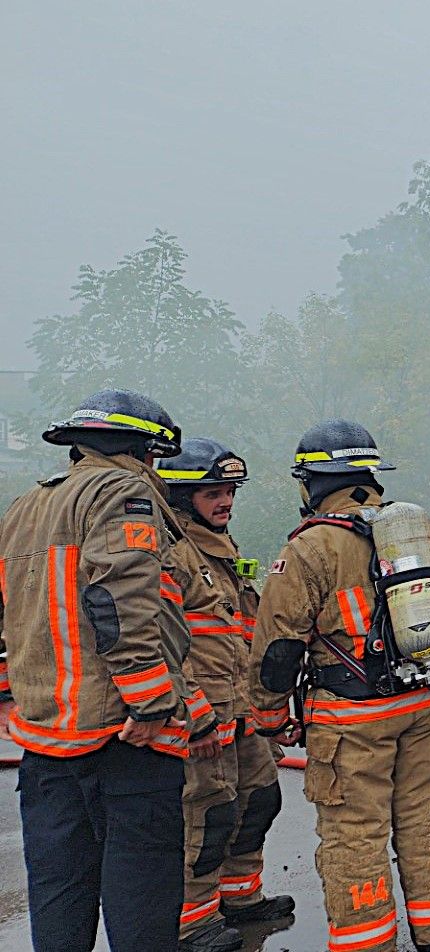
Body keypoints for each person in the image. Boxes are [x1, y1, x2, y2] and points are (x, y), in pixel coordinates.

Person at [0, 389, 219, 952]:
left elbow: (7, 609)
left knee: (58, 890)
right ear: (143, 450)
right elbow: (120, 600)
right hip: (124, 739)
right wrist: (150, 702)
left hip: (46, 738)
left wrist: (5, 694)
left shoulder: (26, 507)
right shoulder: (124, 494)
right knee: (142, 896)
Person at [249, 420, 430, 952]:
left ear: (312, 484)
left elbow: (277, 651)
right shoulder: (424, 532)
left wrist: (269, 717)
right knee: (429, 825)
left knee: (355, 838)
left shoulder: (309, 548)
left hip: (355, 723)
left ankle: (367, 943)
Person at [159, 438, 294, 950]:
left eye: (230, 490)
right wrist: (192, 714)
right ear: (179, 494)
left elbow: (239, 631)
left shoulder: (220, 548)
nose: (226, 501)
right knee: (208, 818)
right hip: (201, 717)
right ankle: (192, 922)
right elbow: (161, 643)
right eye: (213, 492)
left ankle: (242, 897)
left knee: (261, 799)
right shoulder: (171, 554)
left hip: (240, 711)